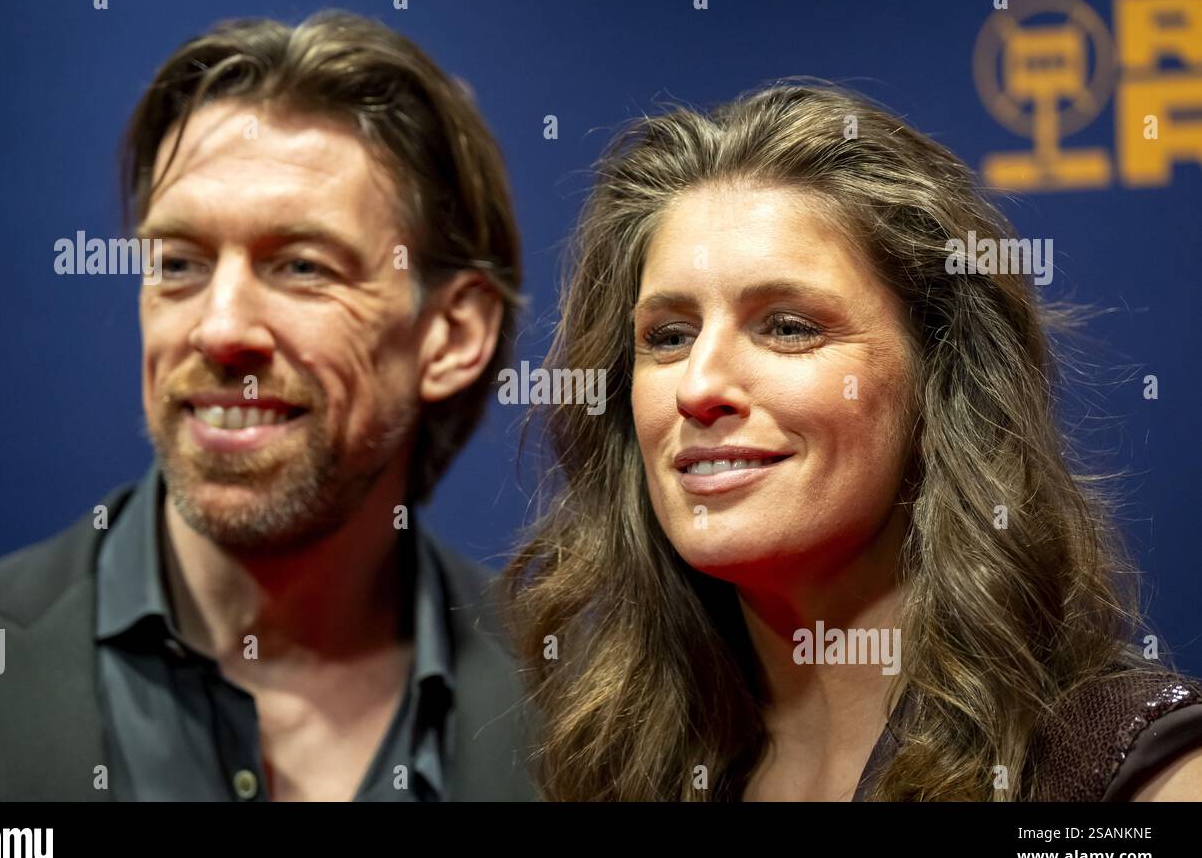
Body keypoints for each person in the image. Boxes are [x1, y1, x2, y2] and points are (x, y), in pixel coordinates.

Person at [502, 82, 1202, 802]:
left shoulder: (1132, 781)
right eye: (670, 336)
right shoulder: (618, 769)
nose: (697, 385)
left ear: (938, 382)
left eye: (788, 326)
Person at [0, 11, 533, 802]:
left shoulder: (586, 714)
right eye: (179, 262)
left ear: (450, 334)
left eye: (302, 266)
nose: (221, 327)